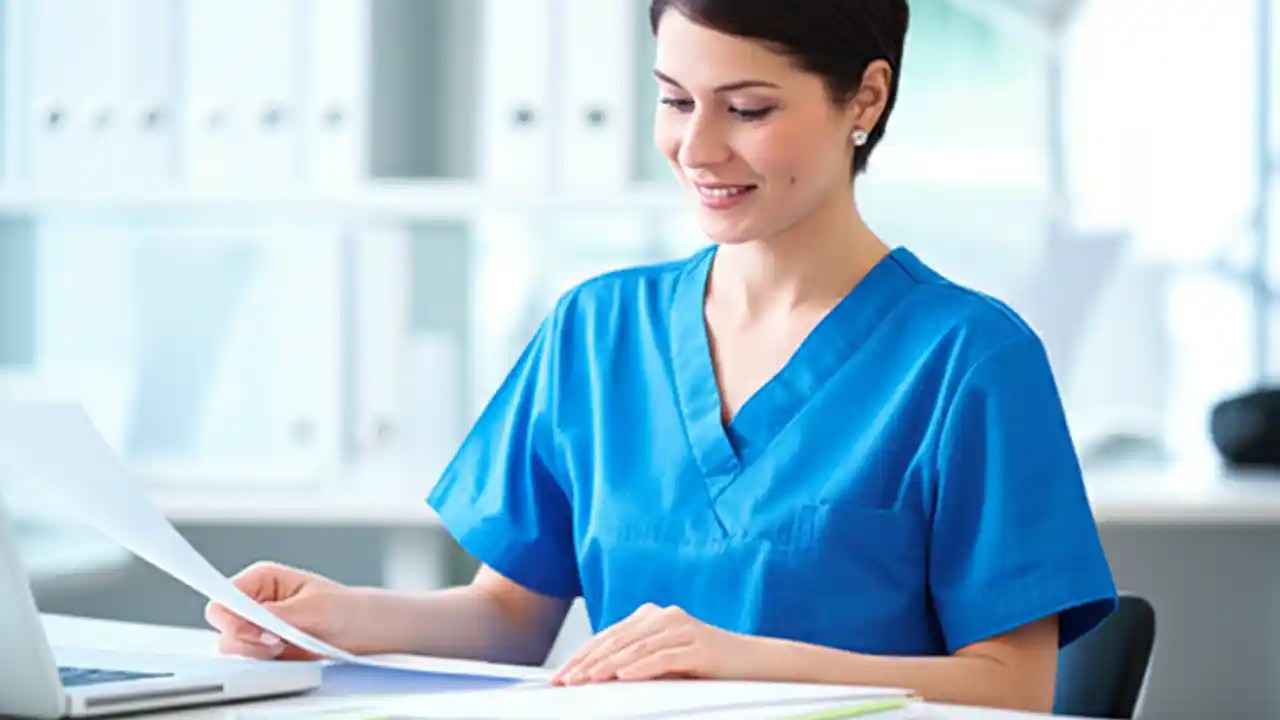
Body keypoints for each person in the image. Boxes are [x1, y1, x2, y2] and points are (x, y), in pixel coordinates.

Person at [205, 0, 1117, 711]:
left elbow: (1013, 688)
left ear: (866, 100)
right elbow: (511, 618)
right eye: (675, 100)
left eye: (748, 109)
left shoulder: (968, 361)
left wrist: (742, 664)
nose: (697, 147)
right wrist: (335, 619)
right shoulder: (597, 331)